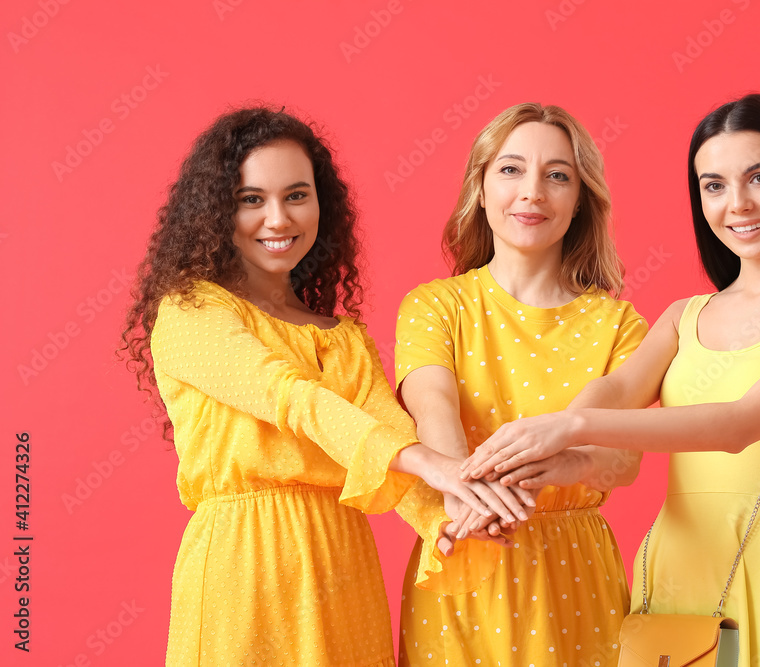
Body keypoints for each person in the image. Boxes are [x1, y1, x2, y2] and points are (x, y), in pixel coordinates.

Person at [462, 93, 760, 666]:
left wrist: (568, 426)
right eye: (713, 185)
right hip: (671, 570)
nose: (737, 204)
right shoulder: (684, 315)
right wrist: (524, 473)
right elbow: (616, 392)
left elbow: (739, 424)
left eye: (758, 177)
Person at [119, 107, 522, 666]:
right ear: (216, 210)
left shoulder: (343, 336)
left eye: (296, 195)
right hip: (246, 567)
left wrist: (453, 518)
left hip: (342, 566)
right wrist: (433, 463)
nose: (279, 219)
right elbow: (291, 397)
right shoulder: (191, 313)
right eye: (251, 199)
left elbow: (389, 428)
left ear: (321, 203)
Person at [394, 102, 649, 666]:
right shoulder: (435, 307)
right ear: (480, 190)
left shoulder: (620, 326)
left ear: (580, 199)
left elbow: (625, 459)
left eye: (557, 175)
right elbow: (432, 409)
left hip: (576, 577)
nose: (532, 191)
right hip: (465, 551)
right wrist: (473, 498)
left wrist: (565, 466)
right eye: (510, 170)